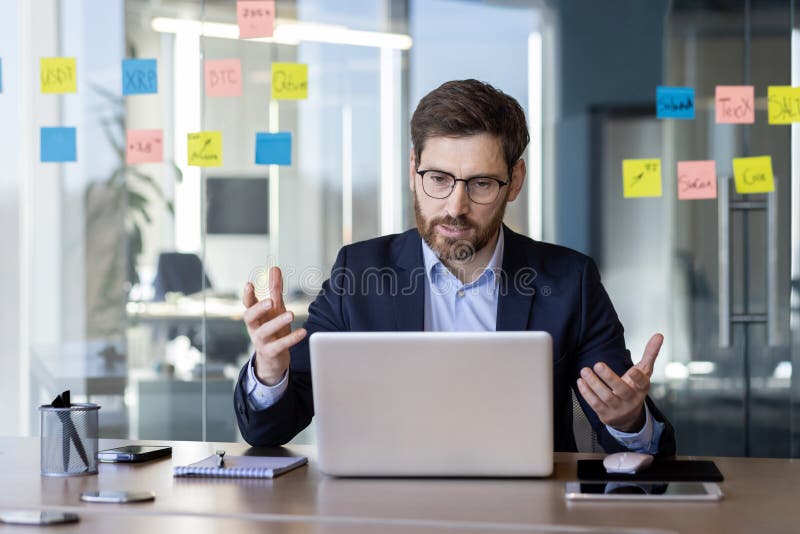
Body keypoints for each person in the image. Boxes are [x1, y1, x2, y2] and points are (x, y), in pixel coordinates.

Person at [234, 79, 676, 456]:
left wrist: (629, 419)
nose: (455, 207)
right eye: (439, 179)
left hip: (524, 510)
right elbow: (267, 432)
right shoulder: (358, 273)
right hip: (382, 511)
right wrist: (270, 372)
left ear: (515, 181)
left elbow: (632, 440)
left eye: (481, 183)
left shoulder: (569, 281)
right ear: (414, 169)